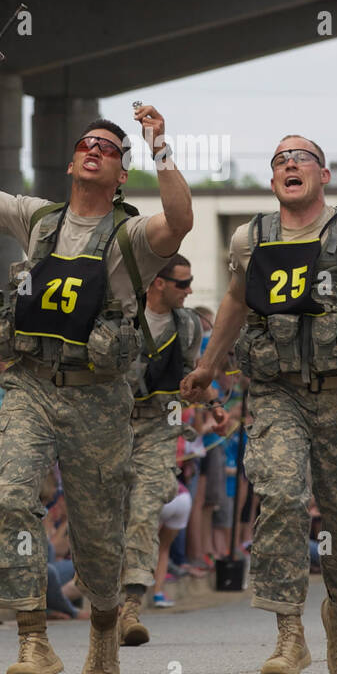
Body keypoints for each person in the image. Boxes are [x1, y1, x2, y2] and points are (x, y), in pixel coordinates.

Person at [0, 85, 192, 674]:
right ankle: (32, 634)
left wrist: (160, 147)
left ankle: (104, 626)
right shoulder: (40, 218)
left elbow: (180, 221)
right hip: (31, 384)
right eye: (86, 144)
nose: (94, 150)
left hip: (98, 396)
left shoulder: (131, 237)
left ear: (121, 172)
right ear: (72, 161)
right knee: (4, 495)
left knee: (99, 534)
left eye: (109, 147)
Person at [181, 133, 337, 674]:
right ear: (273, 180)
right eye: (279, 160)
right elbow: (234, 299)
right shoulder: (252, 238)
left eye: (301, 158)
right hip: (277, 391)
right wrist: (207, 365)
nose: (289, 163)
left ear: (322, 175)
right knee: (278, 492)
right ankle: (289, 630)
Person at [120, 253, 208, 646]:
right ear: (157, 282)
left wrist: (208, 404)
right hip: (111, 427)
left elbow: (191, 375)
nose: (189, 291)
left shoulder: (187, 326)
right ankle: (98, 594)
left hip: (159, 425)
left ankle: (131, 605)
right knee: (103, 515)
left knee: (146, 506)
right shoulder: (119, 317)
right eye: (182, 284)